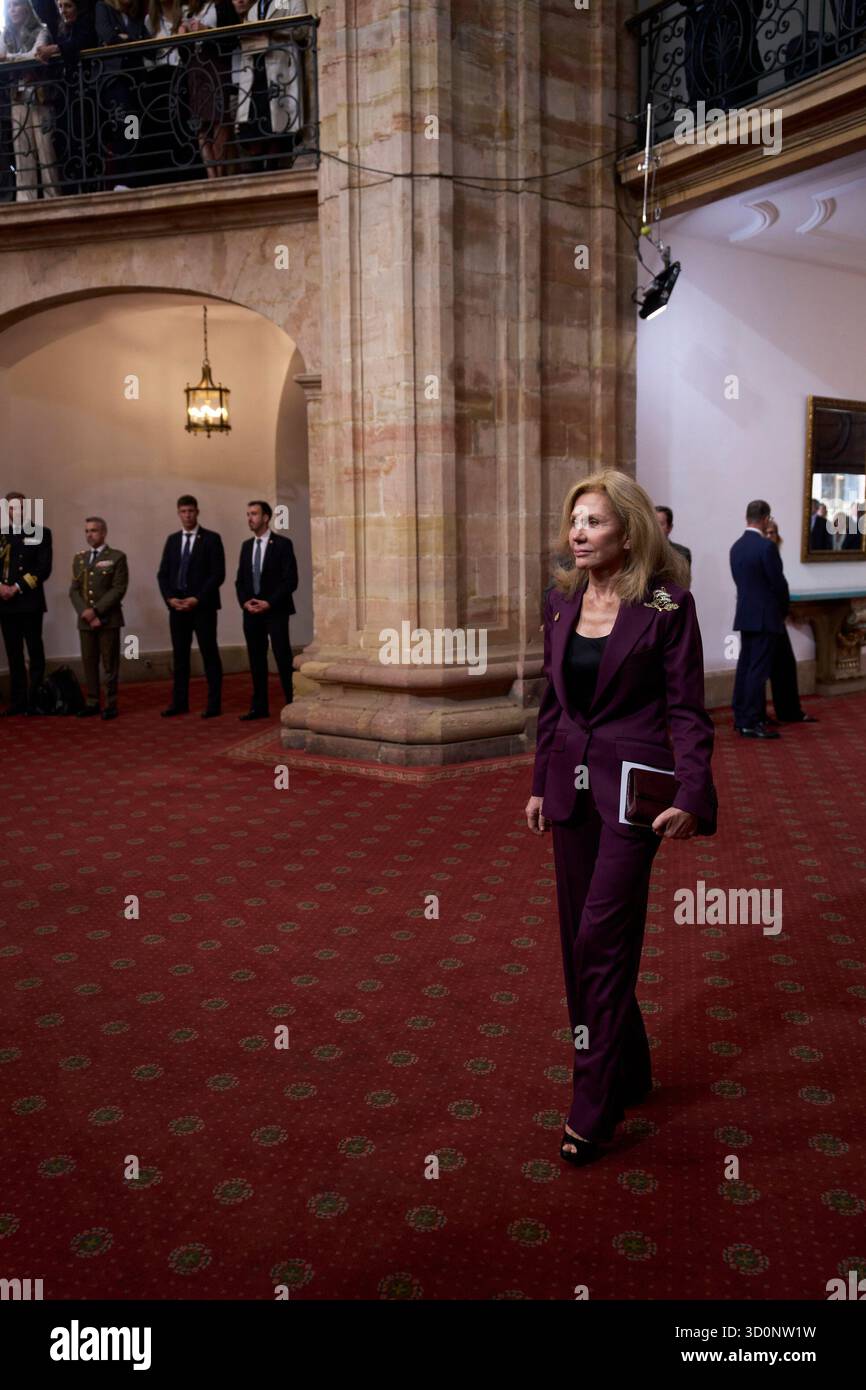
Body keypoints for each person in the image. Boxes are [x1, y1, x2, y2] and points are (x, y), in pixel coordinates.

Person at [525, 470, 716, 1168]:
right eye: (575, 520)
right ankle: (629, 1067)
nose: (579, 533)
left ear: (628, 532)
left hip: (636, 796)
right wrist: (543, 782)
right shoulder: (560, 599)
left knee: (602, 938)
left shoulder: (665, 601)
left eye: (595, 522)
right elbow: (556, 704)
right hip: (570, 793)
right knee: (581, 938)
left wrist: (692, 793)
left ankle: (593, 1104)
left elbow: (687, 711)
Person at [157, 494, 225, 717]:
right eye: (183, 512)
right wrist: (169, 599)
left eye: (191, 511)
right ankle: (179, 702)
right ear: (178, 513)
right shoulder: (173, 540)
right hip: (177, 608)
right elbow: (163, 574)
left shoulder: (211, 539)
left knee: (209, 654)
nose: (187, 515)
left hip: (202, 607)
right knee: (180, 657)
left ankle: (214, 704)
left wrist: (198, 598)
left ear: (197, 512)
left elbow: (217, 574)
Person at [730, 499, 789, 739]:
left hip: (745, 615)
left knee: (745, 667)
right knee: (758, 671)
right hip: (766, 617)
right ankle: (751, 721)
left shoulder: (736, 546)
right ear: (765, 519)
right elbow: (778, 584)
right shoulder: (766, 547)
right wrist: (783, 609)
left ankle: (741, 716)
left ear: (747, 518)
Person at [235, 499, 297, 719]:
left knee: (282, 657)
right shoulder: (246, 546)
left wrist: (269, 602)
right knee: (256, 658)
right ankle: (259, 706)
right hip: (251, 613)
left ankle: (292, 704)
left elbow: (290, 581)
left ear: (266, 518)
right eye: (248, 514)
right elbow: (240, 581)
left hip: (275, 611)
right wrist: (245, 602)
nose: (249, 518)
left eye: (253, 514)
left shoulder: (282, 544)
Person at [232, 0, 305, 172]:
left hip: (279, 67)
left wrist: (274, 30)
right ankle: (256, 166)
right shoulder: (254, 8)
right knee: (252, 120)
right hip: (255, 70)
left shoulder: (284, 2)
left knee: (276, 120)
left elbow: (302, 30)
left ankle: (272, 166)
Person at [69, 515, 129, 720]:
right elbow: (74, 590)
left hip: (108, 619)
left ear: (103, 533)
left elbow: (119, 589)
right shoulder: (80, 558)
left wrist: (96, 612)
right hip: (85, 621)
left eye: (93, 530)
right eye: (86, 531)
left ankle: (111, 703)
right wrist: (85, 613)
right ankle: (93, 701)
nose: (89, 534)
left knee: (109, 664)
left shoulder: (117, 557)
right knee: (89, 662)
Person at [0, 0, 59, 201]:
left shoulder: (41, 29)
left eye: (16, 5)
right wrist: (12, 58)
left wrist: (9, 59)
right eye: (9, 7)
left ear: (26, 7)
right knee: (22, 150)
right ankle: (26, 198)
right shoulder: (4, 34)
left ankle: (52, 196)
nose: (12, 10)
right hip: (17, 96)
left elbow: (36, 54)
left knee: (45, 149)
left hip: (40, 96)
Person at [0, 490, 53, 714]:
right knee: (13, 654)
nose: (17, 511)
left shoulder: (41, 533)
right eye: (12, 508)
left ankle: (35, 700)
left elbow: (43, 568)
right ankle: (18, 701)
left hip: (29, 602)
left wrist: (17, 587)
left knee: (34, 652)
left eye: (21, 507)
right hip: (5, 604)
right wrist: (1, 588)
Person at [763, 518, 816, 726]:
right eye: (766, 532)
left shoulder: (773, 553)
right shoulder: (763, 552)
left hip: (775, 618)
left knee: (785, 665)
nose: (770, 536)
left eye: (773, 533)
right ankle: (770, 713)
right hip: (766, 619)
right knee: (766, 668)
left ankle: (789, 710)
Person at [95, 0, 148, 190]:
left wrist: (127, 38)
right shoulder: (104, 7)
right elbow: (108, 36)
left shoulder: (135, 14)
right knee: (125, 126)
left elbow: (148, 45)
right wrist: (131, 39)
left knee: (133, 127)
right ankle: (125, 179)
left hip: (135, 79)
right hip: (115, 80)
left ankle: (133, 177)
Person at [654, 504, 691, 583]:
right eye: (653, 524)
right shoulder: (642, 551)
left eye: (660, 524)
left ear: (670, 527)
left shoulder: (681, 553)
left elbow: (682, 583)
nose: (655, 528)